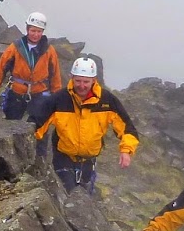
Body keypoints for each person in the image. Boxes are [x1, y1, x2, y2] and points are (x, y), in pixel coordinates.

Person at [30, 56, 138, 191]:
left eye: (86, 82)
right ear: (71, 78)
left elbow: (128, 129)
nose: (82, 86)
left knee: (84, 199)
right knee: (68, 195)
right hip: (63, 157)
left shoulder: (107, 101)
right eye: (78, 81)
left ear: (94, 80)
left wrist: (126, 151)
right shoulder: (59, 100)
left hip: (89, 161)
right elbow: (36, 125)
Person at [0, 11, 61, 120]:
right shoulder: (16, 47)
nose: (35, 34)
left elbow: (55, 75)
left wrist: (56, 97)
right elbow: (1, 69)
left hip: (39, 92)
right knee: (11, 123)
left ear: (43, 32)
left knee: (38, 125)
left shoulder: (49, 50)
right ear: (27, 29)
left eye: (39, 31)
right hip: (17, 92)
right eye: (33, 31)